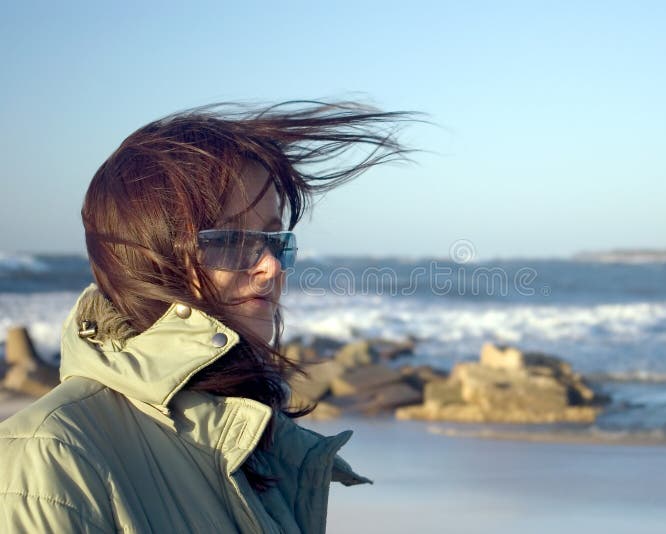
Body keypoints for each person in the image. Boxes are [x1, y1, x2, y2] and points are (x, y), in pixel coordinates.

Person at [0, 101, 415, 533]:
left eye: (275, 240)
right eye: (232, 242)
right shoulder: (49, 458)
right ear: (149, 259)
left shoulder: (252, 437)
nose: (270, 266)